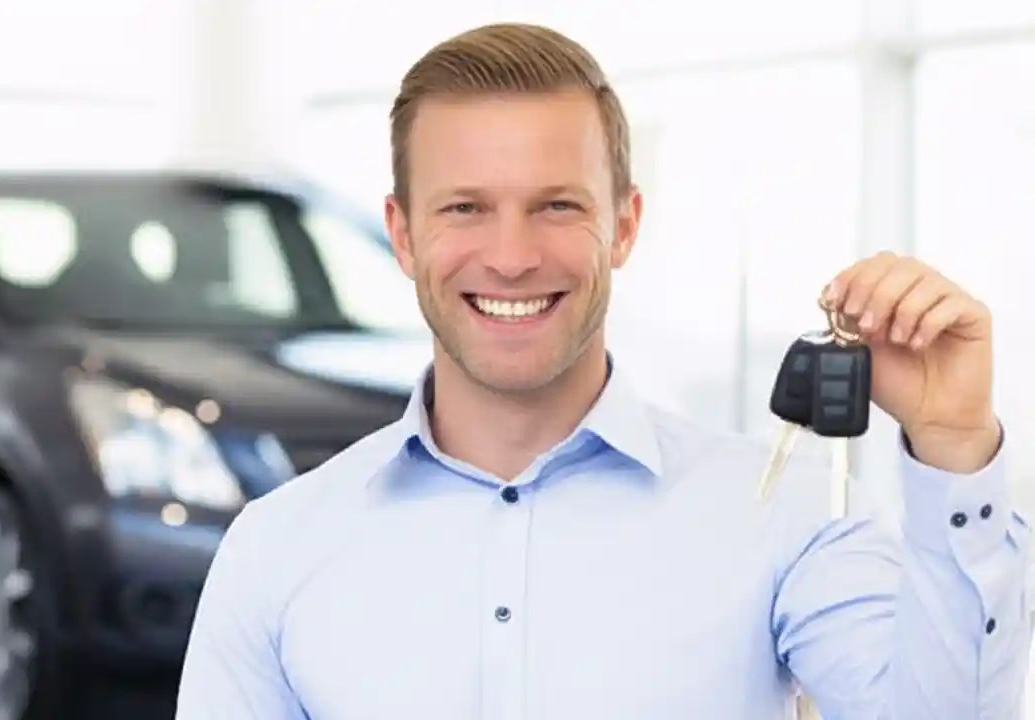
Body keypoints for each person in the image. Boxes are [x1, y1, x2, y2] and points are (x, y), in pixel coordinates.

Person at [174, 22, 1030, 719]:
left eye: (557, 206)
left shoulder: (783, 515)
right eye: (466, 208)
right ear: (402, 234)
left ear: (623, 226)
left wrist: (954, 448)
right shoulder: (275, 552)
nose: (511, 257)